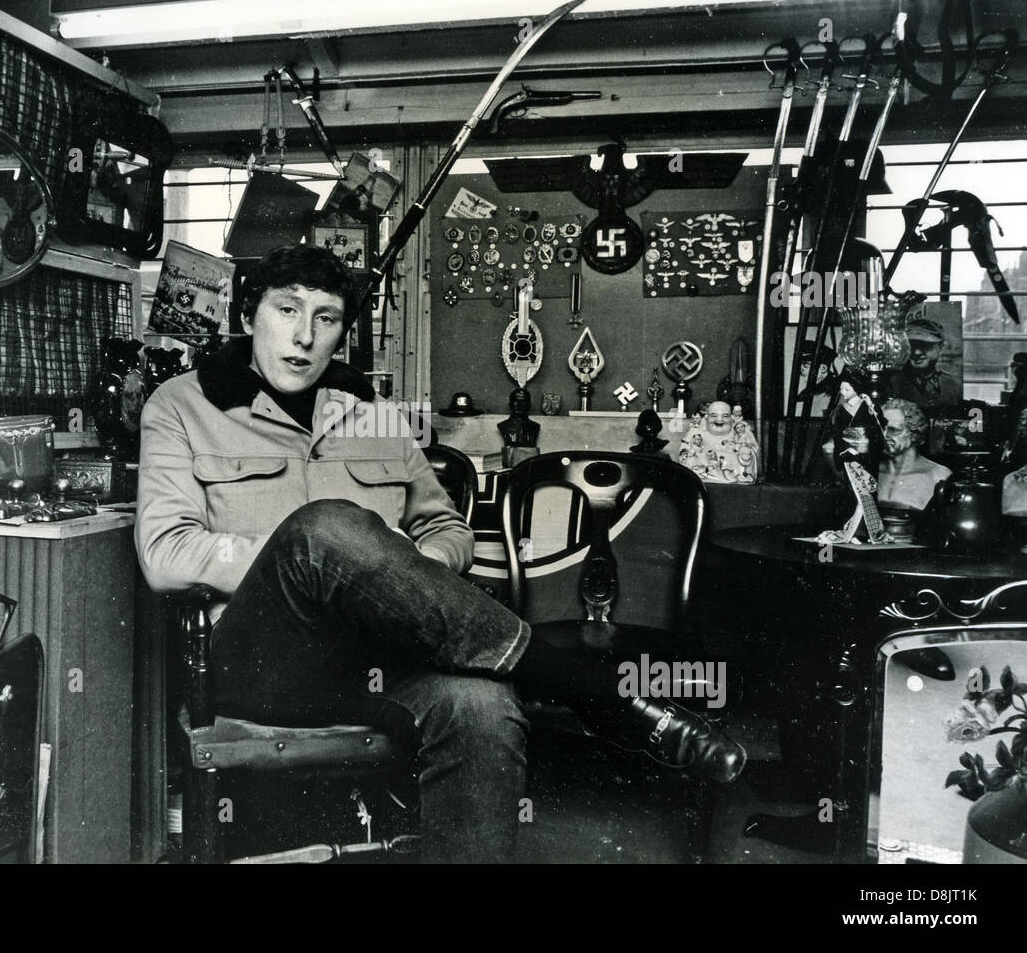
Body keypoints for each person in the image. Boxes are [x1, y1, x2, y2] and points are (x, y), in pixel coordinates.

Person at [135, 244, 745, 863]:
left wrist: (411, 560)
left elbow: (447, 529)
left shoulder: (372, 415)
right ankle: (598, 693)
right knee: (327, 529)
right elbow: (165, 552)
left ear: (342, 333)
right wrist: (320, 552)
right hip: (263, 663)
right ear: (247, 317)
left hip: (381, 656)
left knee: (482, 705)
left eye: (325, 318)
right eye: (286, 310)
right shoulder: (184, 406)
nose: (304, 335)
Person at [818, 369, 891, 544]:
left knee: (868, 492)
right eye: (842, 390)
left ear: (857, 389)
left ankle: (869, 532)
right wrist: (845, 450)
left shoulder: (869, 406)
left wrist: (873, 410)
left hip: (868, 456)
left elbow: (878, 429)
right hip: (849, 455)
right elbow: (837, 433)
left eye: (847, 390)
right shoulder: (840, 410)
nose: (843, 393)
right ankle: (853, 532)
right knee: (852, 494)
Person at [877, 398, 951, 512]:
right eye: (882, 428)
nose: (884, 435)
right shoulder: (869, 472)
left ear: (914, 433)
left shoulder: (939, 475)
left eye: (893, 429)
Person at [886, 317, 962, 416]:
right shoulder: (893, 383)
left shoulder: (952, 385)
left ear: (941, 347)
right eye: (911, 345)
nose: (917, 352)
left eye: (924, 345)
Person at [496, 387, 540, 468]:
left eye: (523, 401)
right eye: (516, 401)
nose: (519, 404)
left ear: (529, 405)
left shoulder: (535, 427)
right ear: (510, 404)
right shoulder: (503, 425)